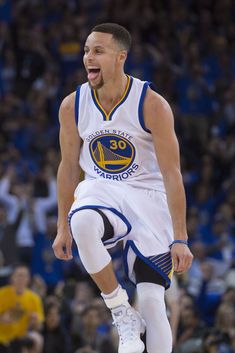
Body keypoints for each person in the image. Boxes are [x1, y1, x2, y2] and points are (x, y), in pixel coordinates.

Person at [52, 23, 193, 353]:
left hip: (148, 194)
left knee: (152, 299)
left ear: (120, 57)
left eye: (98, 50)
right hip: (102, 187)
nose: (89, 56)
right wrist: (61, 226)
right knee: (81, 220)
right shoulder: (72, 106)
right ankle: (120, 311)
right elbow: (69, 167)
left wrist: (180, 238)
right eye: (87, 50)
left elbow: (172, 174)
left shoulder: (152, 104)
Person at [0, 264, 44, 353]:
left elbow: (39, 326)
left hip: (21, 338)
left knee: (37, 339)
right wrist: (2, 319)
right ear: (12, 278)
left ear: (28, 279)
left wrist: (35, 321)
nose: (21, 279)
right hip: (2, 337)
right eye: (19, 275)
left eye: (25, 276)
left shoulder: (34, 298)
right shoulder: (2, 294)